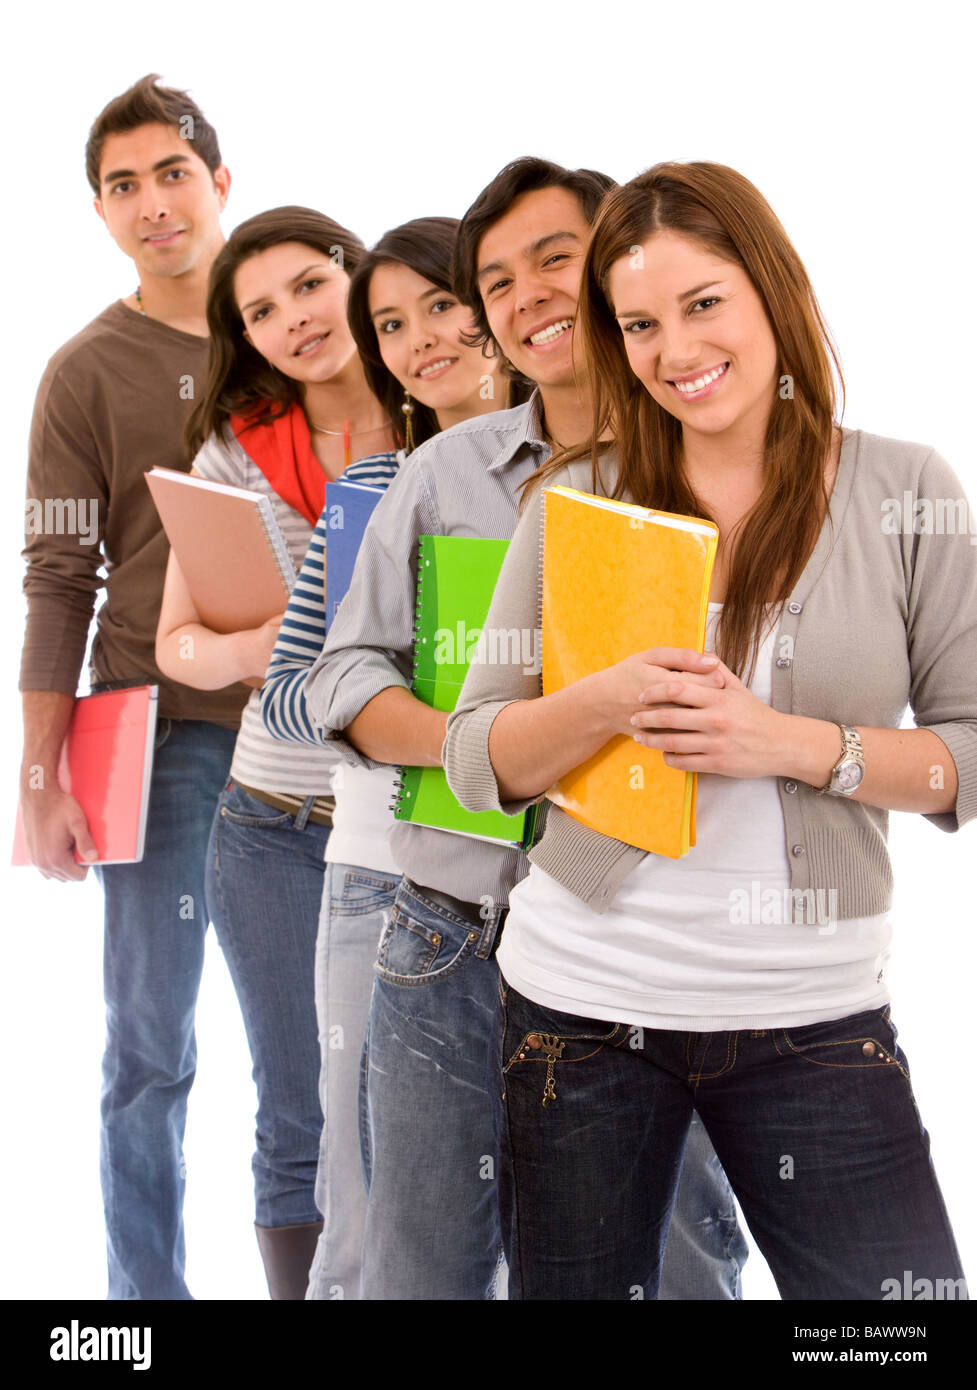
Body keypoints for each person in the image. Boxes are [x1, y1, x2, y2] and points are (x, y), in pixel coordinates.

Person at [443, 160, 975, 1300]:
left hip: (812, 1020)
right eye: (637, 324)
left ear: (770, 292)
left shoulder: (899, 489)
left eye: (701, 305)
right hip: (580, 1014)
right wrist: (597, 702)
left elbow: (963, 755)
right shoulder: (574, 500)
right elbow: (470, 755)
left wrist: (786, 742)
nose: (673, 351)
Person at [299, 159, 748, 1300]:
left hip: (651, 940)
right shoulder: (443, 473)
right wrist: (489, 739)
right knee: (422, 1270)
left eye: (556, 257)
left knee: (680, 1266)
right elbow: (342, 673)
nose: (528, 294)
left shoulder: (717, 460)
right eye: (495, 279)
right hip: (448, 932)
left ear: (616, 265)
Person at [259, 215, 514, 1299]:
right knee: (368, 1224)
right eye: (392, 323)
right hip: (386, 867)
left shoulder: (606, 472)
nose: (424, 340)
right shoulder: (372, 487)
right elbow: (285, 695)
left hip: (561, 875)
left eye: (445, 305)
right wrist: (377, 696)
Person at [18, 74, 244, 1301]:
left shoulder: (298, 324)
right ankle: (142, 1313)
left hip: (327, 737)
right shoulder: (82, 372)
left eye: (171, 172)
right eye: (122, 184)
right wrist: (41, 777)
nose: (152, 202)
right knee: (150, 1054)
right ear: (100, 212)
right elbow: (58, 576)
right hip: (160, 742)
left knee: (332, 1050)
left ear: (221, 180)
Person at [155, 207, 399, 1298]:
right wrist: (270, 643)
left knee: (413, 1106)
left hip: (407, 825)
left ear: (355, 275)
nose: (293, 319)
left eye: (309, 285)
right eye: (259, 310)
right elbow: (178, 646)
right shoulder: (230, 452)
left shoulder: (439, 420)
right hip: (267, 824)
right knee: (297, 1103)